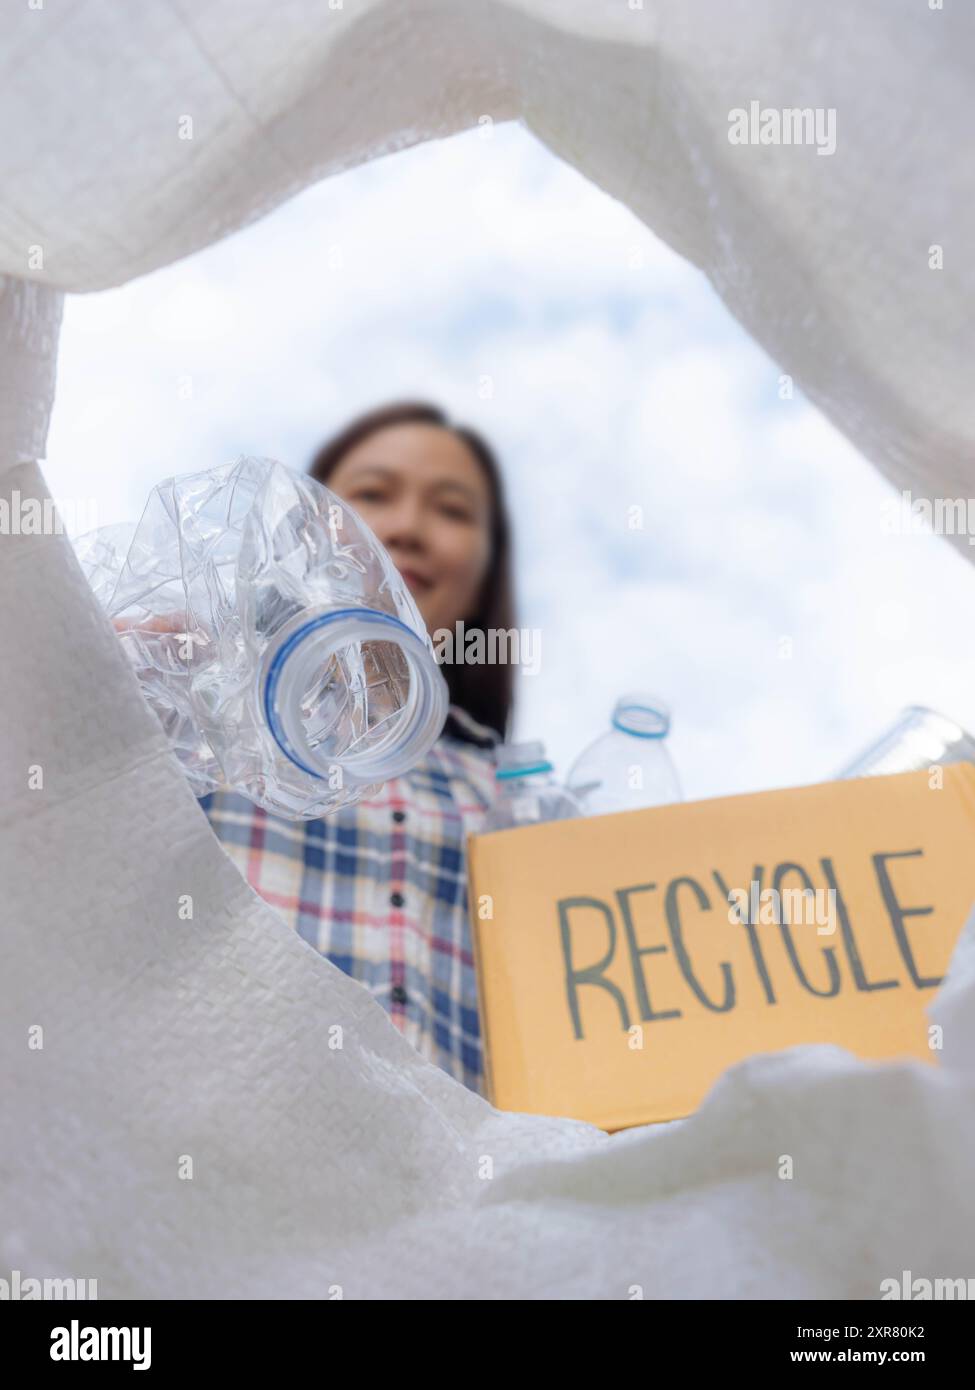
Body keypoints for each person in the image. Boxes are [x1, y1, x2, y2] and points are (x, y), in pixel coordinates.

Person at [199, 401, 516, 1095]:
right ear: (304, 526)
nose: (406, 527)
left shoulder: (522, 803)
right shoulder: (201, 725)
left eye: (453, 510)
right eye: (372, 494)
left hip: (480, 1193)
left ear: (486, 569)